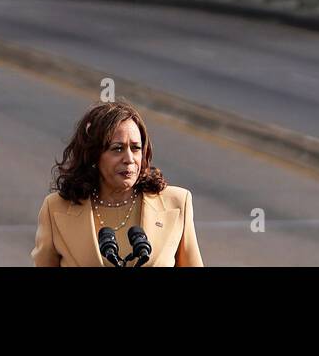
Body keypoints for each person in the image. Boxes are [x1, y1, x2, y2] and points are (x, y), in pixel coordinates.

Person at [32, 100, 203, 267]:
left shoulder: (178, 203)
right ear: (94, 156)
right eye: (117, 148)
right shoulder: (55, 209)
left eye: (135, 148)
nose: (129, 159)